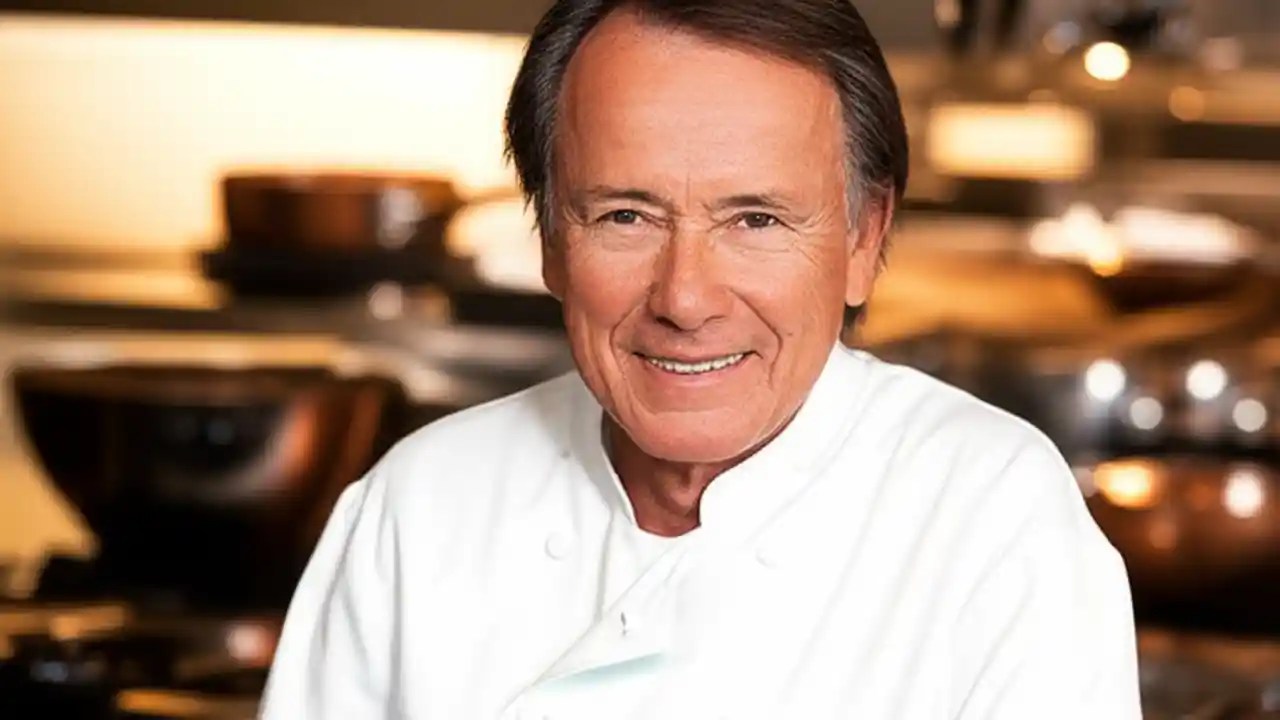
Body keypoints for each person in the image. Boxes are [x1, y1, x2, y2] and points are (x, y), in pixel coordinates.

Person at [259, 1, 1142, 718]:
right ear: (550, 243)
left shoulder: (992, 517)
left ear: (865, 239)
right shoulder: (419, 508)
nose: (685, 298)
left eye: (755, 220)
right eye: (624, 217)